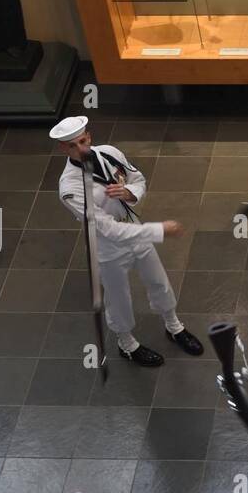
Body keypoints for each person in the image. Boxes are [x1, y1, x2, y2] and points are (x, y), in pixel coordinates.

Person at [51, 114, 204, 367]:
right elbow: (108, 230)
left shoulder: (109, 153)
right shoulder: (70, 188)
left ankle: (174, 326)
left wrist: (131, 193)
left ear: (89, 136)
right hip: (107, 247)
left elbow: (138, 179)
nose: (81, 149)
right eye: (72, 145)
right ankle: (127, 344)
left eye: (83, 140)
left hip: (135, 228)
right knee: (118, 297)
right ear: (62, 148)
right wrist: (159, 230)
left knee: (158, 281)